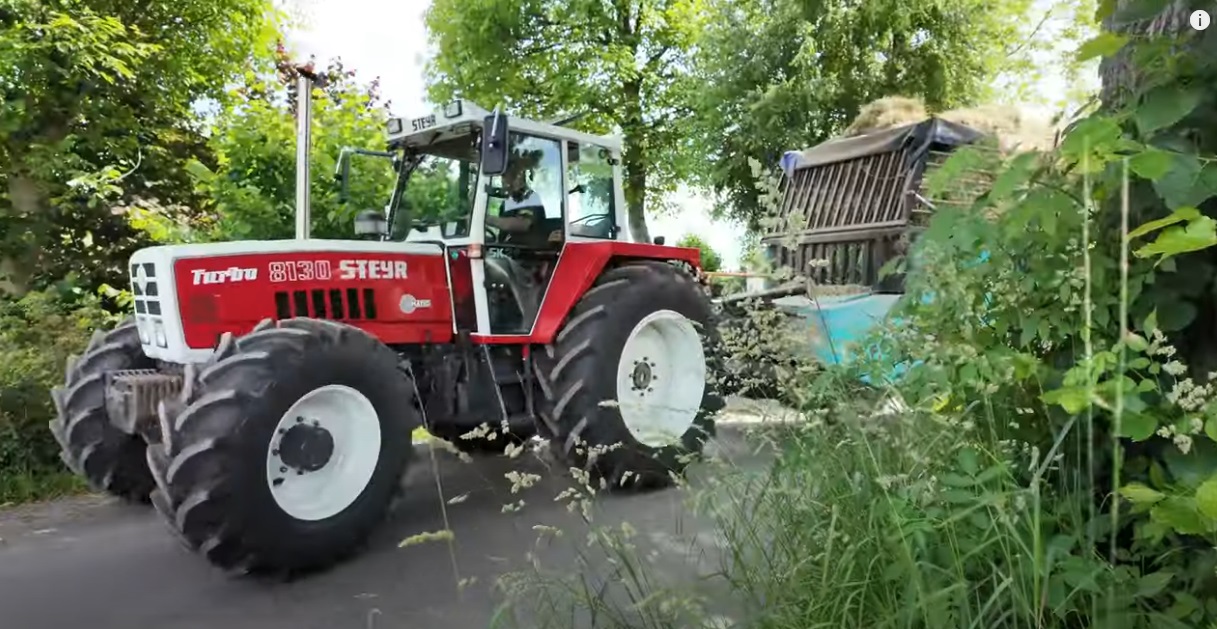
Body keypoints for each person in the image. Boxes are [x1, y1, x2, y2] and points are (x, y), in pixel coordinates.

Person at [485, 149, 562, 246]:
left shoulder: (530, 197)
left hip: (527, 254)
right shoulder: (507, 202)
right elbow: (503, 234)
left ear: (521, 177)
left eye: (510, 176)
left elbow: (522, 224)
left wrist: (485, 218)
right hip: (507, 251)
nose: (504, 181)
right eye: (503, 177)